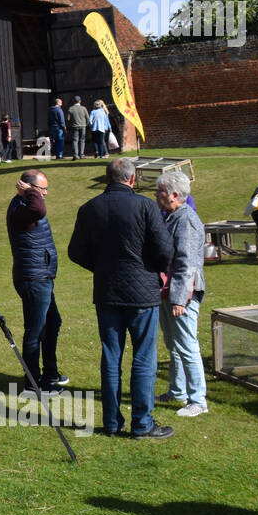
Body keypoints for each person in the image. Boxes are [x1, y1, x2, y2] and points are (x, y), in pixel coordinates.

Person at [68, 157, 175, 439]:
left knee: (111, 357)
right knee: (143, 357)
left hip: (107, 292)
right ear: (132, 179)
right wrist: (150, 268)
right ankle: (142, 423)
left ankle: (113, 423)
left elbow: (75, 252)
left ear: (107, 179)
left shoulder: (90, 208)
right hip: (142, 293)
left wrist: (102, 267)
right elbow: (165, 251)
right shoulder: (145, 206)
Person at [7, 169, 69, 396]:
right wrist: (32, 193)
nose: (45, 194)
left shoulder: (25, 206)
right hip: (33, 279)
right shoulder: (20, 209)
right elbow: (39, 209)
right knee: (35, 331)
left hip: (40, 276)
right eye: (42, 189)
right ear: (28, 188)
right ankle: (33, 385)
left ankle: (50, 373)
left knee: (53, 323)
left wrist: (32, 192)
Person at [153, 172, 207, 417]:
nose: (156, 195)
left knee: (187, 346)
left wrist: (179, 299)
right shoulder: (173, 217)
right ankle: (177, 391)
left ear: (174, 195)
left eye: (160, 191)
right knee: (173, 344)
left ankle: (198, 401)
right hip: (169, 292)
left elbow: (187, 263)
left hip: (182, 295)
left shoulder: (186, 220)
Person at [67, 96, 89, 160]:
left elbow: (68, 119)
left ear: (73, 101)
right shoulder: (84, 108)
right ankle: (82, 154)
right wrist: (86, 124)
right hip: (83, 126)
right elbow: (87, 118)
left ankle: (75, 155)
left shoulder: (70, 108)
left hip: (74, 126)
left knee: (75, 141)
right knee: (82, 140)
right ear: (80, 101)